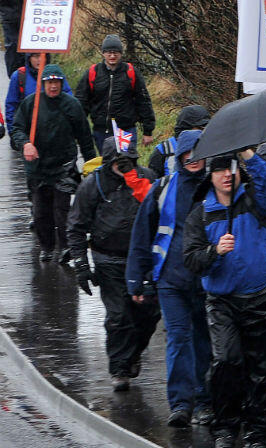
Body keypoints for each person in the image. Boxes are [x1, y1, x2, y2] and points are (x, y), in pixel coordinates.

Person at [183, 148, 266, 448]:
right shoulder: (200, 213)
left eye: (232, 168)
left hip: (262, 297)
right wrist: (214, 252)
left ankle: (260, 434)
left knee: (263, 370)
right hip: (223, 302)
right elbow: (191, 260)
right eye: (220, 170)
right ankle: (226, 426)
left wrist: (248, 155)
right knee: (226, 362)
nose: (227, 175)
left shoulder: (255, 200)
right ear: (210, 176)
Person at [127, 127, 214, 427]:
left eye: (198, 154)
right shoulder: (162, 189)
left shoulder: (217, 188)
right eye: (187, 154)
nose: (193, 159)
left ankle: (204, 401)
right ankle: (180, 405)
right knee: (178, 339)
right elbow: (142, 234)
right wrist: (136, 279)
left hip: (206, 280)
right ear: (180, 157)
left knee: (204, 341)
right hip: (171, 281)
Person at [68, 138, 161, 392]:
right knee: (119, 315)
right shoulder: (92, 185)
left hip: (143, 261)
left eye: (129, 161)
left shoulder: (147, 178)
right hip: (109, 260)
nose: (124, 165)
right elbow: (76, 226)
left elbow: (162, 214)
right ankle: (119, 368)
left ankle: (133, 354)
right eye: (119, 161)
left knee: (149, 313)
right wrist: (81, 265)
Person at [10, 64, 95, 263]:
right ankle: (47, 247)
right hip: (38, 167)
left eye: (57, 82)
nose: (53, 86)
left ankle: (66, 247)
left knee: (62, 209)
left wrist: (90, 165)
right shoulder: (31, 104)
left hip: (63, 165)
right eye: (49, 82)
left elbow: (84, 136)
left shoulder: (72, 105)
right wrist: (25, 144)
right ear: (43, 84)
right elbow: (17, 129)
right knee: (41, 212)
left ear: (62, 83)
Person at [75, 35, 157, 152]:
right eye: (109, 52)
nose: (112, 56)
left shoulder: (131, 72)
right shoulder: (93, 73)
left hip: (126, 131)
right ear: (103, 53)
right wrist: (78, 129)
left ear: (121, 53)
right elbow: (81, 102)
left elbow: (143, 101)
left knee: (126, 161)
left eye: (116, 52)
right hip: (101, 131)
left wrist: (148, 131)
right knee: (106, 162)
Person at [6, 52, 71, 133]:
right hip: (26, 131)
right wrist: (14, 133)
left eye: (42, 56)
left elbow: (69, 102)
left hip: (53, 130)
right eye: (36, 56)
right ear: (29, 58)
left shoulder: (56, 75)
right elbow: (11, 106)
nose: (40, 60)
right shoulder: (19, 76)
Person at [147, 105, 211, 177]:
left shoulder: (211, 146)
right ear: (187, 128)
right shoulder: (164, 150)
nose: (204, 132)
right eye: (201, 128)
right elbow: (153, 180)